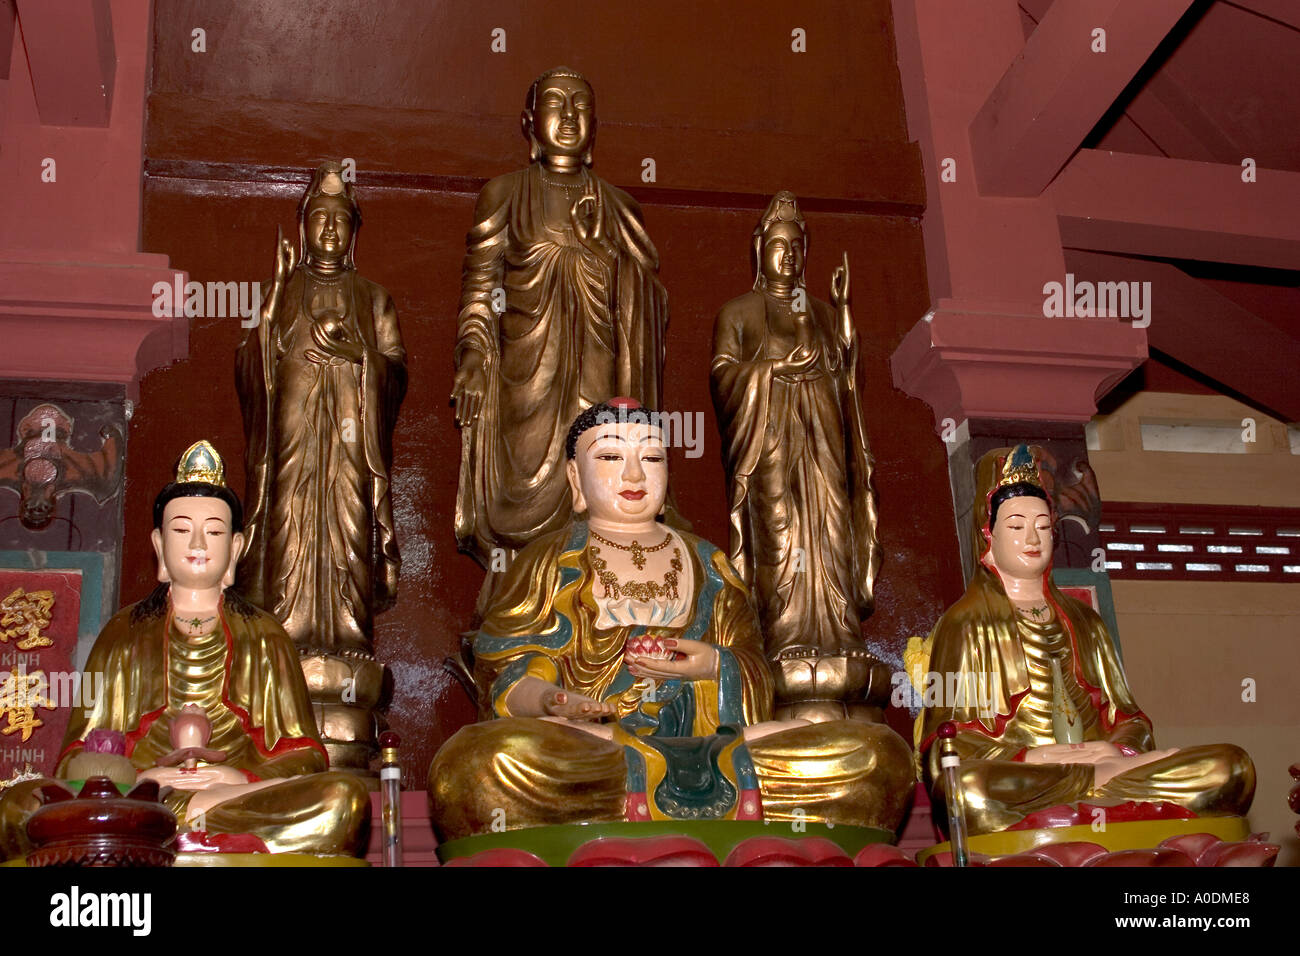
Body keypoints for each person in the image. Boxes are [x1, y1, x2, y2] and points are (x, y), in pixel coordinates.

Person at [429, 400, 913, 841]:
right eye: (611, 457)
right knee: (480, 762)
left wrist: (710, 666)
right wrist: (558, 701)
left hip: (719, 744)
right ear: (575, 479)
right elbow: (510, 672)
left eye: (653, 457)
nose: (634, 472)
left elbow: (754, 672)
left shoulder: (710, 564)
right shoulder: (546, 562)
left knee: (876, 752)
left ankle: (685, 791)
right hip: (592, 745)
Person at [0, 441, 370, 859]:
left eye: (213, 531)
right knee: (18, 806)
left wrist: (235, 778)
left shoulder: (267, 636)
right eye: (180, 530)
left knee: (342, 799)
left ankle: (171, 830)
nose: (197, 542)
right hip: (134, 799)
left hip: (233, 798)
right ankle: (180, 826)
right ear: (159, 545)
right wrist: (144, 777)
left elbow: (305, 757)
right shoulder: (122, 633)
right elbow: (74, 760)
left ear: (235, 549)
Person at [917, 444, 1255, 835]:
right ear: (987, 533)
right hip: (1026, 775)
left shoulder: (1086, 623)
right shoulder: (964, 624)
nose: (1033, 537)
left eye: (1043, 526)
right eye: (1015, 526)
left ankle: (1095, 792)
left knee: (1231, 766)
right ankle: (1106, 792)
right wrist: (1036, 757)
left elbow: (1130, 719)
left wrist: (1118, 750)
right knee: (968, 792)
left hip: (1105, 764)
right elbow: (945, 751)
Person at [451, 68, 670, 610]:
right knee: (525, 506)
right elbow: (481, 288)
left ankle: (603, 592)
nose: (569, 115)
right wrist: (475, 356)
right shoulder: (503, 194)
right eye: (555, 103)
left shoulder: (618, 208)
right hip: (526, 379)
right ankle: (519, 603)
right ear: (531, 122)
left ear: (595, 126)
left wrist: (606, 258)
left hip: (600, 375)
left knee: (601, 482)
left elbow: (649, 305)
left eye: (581, 106)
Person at [711, 192, 884, 720]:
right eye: (778, 245)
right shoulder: (737, 313)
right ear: (759, 249)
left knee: (831, 531)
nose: (788, 256)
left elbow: (846, 372)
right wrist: (773, 373)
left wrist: (845, 309)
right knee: (783, 535)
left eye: (796, 247)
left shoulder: (824, 313)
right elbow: (722, 376)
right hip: (772, 449)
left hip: (823, 444)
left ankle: (839, 630)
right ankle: (785, 635)